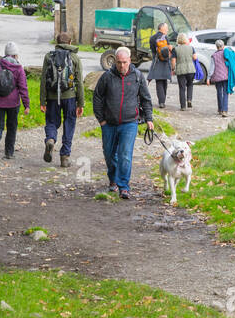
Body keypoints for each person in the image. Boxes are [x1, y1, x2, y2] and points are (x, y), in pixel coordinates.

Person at [91, 46, 153, 199]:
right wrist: (102, 120)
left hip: (129, 123)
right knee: (109, 154)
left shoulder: (138, 76)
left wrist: (149, 119)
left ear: (129, 61)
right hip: (109, 123)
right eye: (119, 62)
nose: (122, 66)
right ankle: (113, 180)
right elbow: (97, 98)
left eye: (124, 62)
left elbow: (146, 99)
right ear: (115, 61)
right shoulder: (107, 76)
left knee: (125, 155)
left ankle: (124, 187)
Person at [40, 31, 84, 167]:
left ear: (57, 43)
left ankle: (51, 139)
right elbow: (79, 82)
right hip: (70, 97)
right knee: (69, 124)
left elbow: (43, 80)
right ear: (70, 43)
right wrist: (80, 103)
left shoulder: (49, 57)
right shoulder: (75, 58)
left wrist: (43, 100)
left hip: (53, 97)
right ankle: (65, 156)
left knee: (52, 121)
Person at [0, 41, 29, 160]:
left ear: (5, 53)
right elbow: (23, 87)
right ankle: (9, 152)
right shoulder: (19, 68)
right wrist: (26, 105)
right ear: (15, 55)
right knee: (12, 126)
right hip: (13, 103)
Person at [148, 22, 174, 109]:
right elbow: (170, 49)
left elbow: (152, 50)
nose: (167, 30)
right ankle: (163, 101)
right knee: (164, 82)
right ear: (162, 28)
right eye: (166, 28)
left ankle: (161, 102)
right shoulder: (165, 37)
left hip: (157, 62)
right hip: (165, 62)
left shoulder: (152, 38)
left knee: (158, 82)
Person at [172, 33, 197, 110]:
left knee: (182, 88)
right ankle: (189, 99)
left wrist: (173, 69)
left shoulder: (175, 49)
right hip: (190, 69)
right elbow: (195, 57)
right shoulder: (191, 48)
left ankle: (183, 106)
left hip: (180, 70)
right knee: (190, 85)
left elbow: (173, 60)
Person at [209, 39, 231, 114]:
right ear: (223, 46)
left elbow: (212, 68)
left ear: (216, 47)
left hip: (217, 77)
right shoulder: (226, 54)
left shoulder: (213, 56)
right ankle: (225, 110)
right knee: (225, 93)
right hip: (226, 76)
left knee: (219, 92)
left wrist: (208, 78)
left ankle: (220, 109)